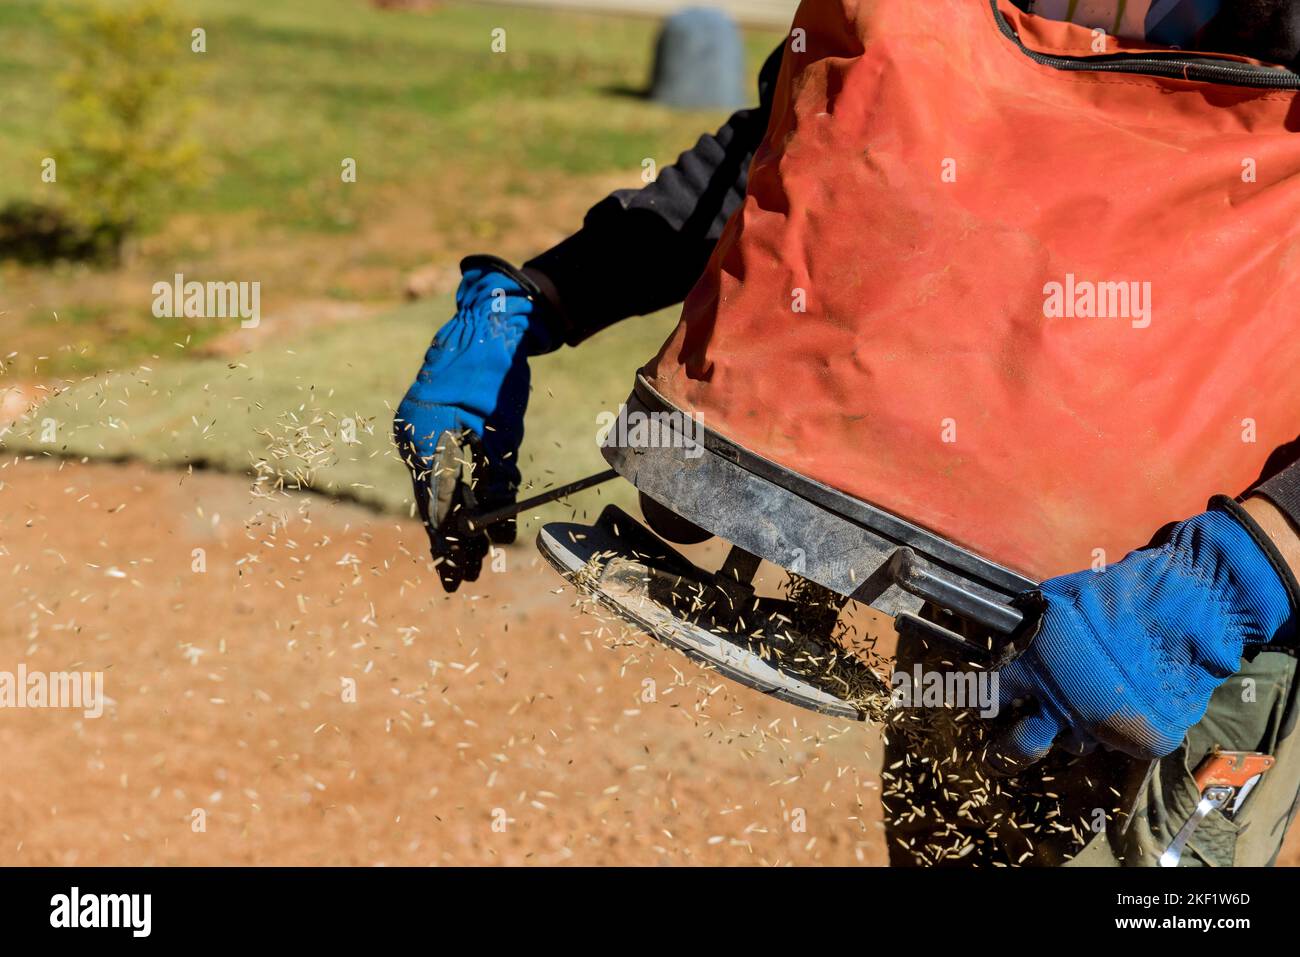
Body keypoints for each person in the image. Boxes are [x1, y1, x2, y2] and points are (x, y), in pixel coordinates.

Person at [394, 0, 1300, 866]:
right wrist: (543, 300)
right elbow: (829, 128)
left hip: (1196, 602)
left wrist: (1230, 583)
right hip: (982, 555)